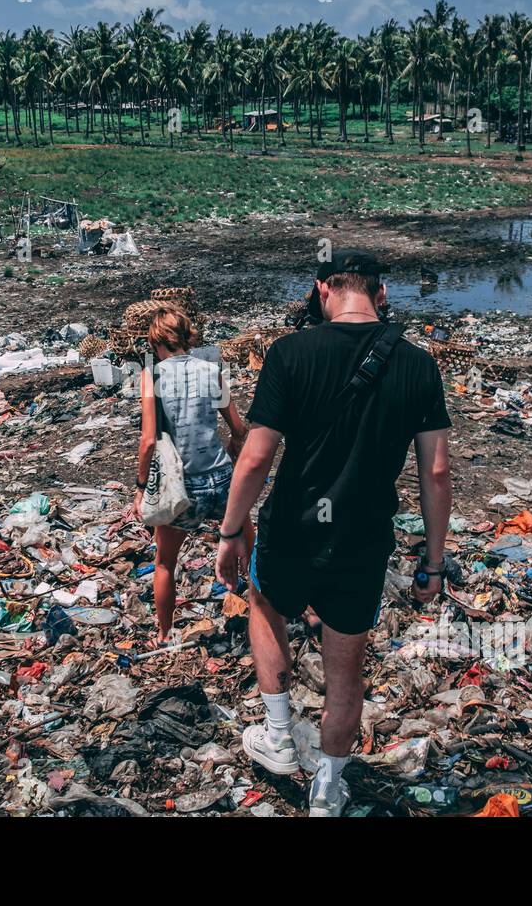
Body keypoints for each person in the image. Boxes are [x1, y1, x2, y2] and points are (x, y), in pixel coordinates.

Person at [215, 249, 453, 816]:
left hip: (293, 527)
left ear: (323, 291)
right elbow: (436, 471)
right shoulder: (418, 365)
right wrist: (434, 563)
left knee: (266, 608)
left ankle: (277, 735)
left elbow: (255, 457)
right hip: (361, 538)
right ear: (381, 293)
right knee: (346, 666)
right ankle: (328, 787)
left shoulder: (290, 352)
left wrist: (230, 532)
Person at [134, 307, 250, 646]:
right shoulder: (212, 370)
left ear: (156, 341)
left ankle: (165, 634)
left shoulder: (151, 375)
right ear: (187, 336)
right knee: (248, 550)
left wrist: (141, 488)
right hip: (223, 478)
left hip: (182, 487)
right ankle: (260, 611)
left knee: (165, 563)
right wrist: (229, 455)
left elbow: (147, 440)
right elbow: (240, 429)